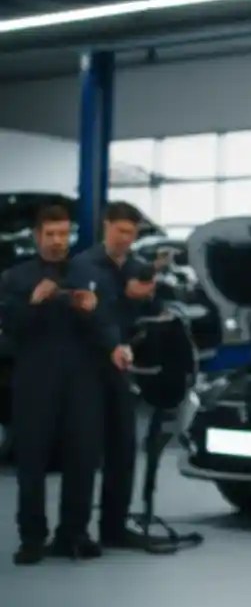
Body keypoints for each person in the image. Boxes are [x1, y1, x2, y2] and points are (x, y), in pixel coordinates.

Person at [1, 204, 129, 564]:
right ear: (37, 236)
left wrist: (93, 314)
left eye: (64, 234)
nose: (58, 241)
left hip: (82, 381)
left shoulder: (90, 274)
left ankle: (74, 533)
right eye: (51, 234)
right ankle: (32, 538)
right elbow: (10, 332)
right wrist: (34, 302)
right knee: (31, 461)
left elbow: (108, 325)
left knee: (83, 458)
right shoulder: (16, 278)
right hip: (34, 380)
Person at [71, 201, 159, 551]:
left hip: (122, 367)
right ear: (106, 226)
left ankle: (115, 527)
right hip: (87, 366)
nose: (126, 238)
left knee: (123, 447)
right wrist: (111, 344)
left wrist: (147, 296)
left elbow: (151, 311)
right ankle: (75, 531)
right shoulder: (82, 266)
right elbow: (89, 317)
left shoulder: (139, 267)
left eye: (132, 233)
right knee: (84, 450)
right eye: (121, 231)